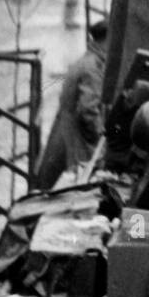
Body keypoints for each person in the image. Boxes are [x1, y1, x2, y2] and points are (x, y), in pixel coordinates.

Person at [37, 20, 108, 189]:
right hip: (74, 135)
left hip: (63, 128)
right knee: (79, 182)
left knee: (44, 183)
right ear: (107, 40)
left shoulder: (85, 60)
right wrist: (102, 139)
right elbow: (88, 110)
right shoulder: (93, 67)